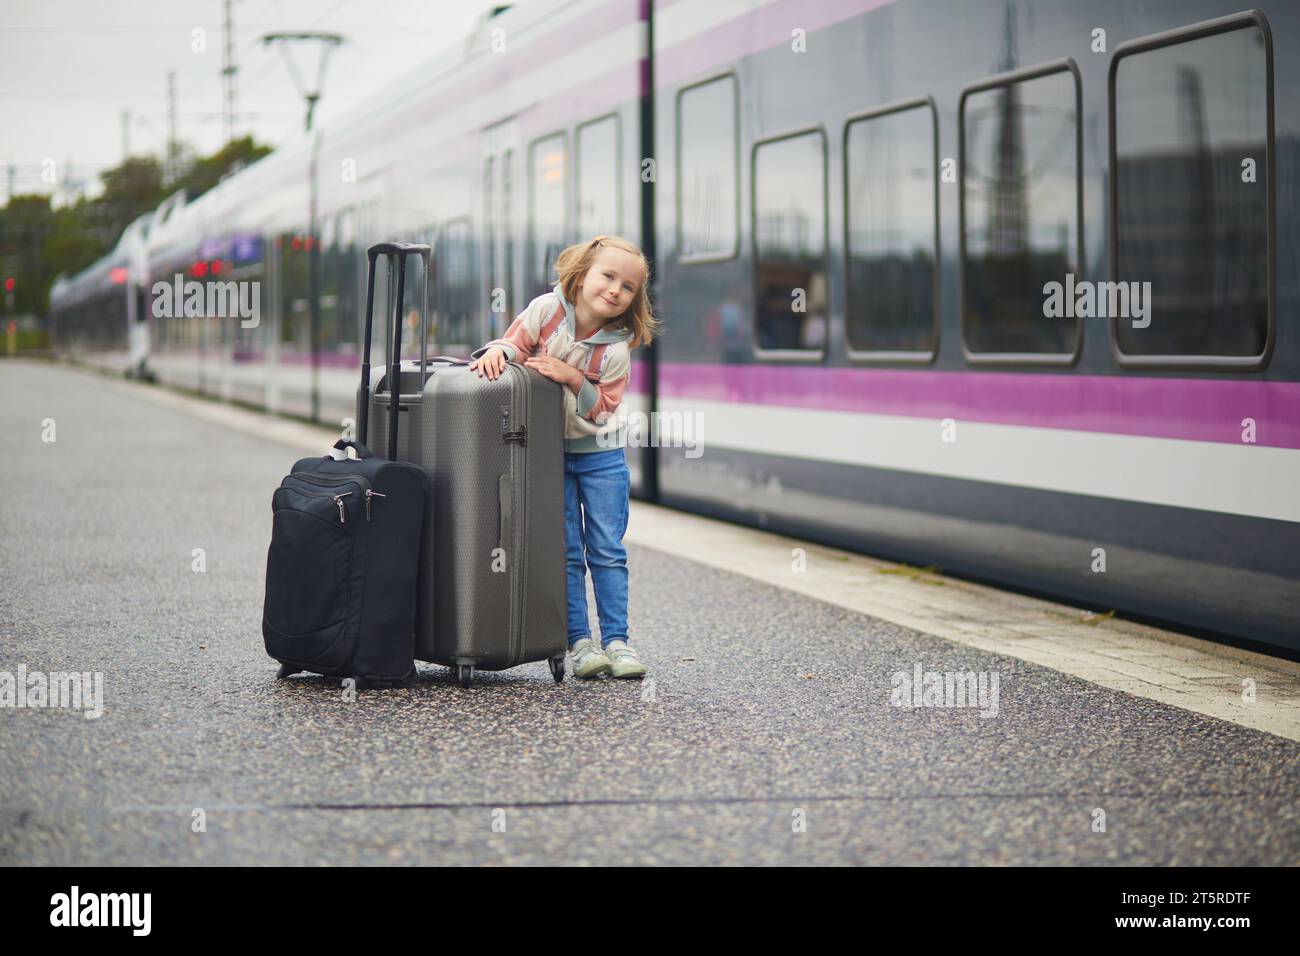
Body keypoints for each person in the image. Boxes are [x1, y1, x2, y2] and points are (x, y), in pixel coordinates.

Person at [469, 235, 661, 679]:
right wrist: (499, 350)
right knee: (567, 550)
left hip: (601, 456)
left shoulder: (615, 349)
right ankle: (580, 644)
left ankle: (619, 642)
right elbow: (515, 343)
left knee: (608, 550)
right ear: (581, 276)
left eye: (627, 286)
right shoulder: (546, 311)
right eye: (607, 276)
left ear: (634, 299)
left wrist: (573, 377)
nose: (615, 289)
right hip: (548, 454)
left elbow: (603, 408)